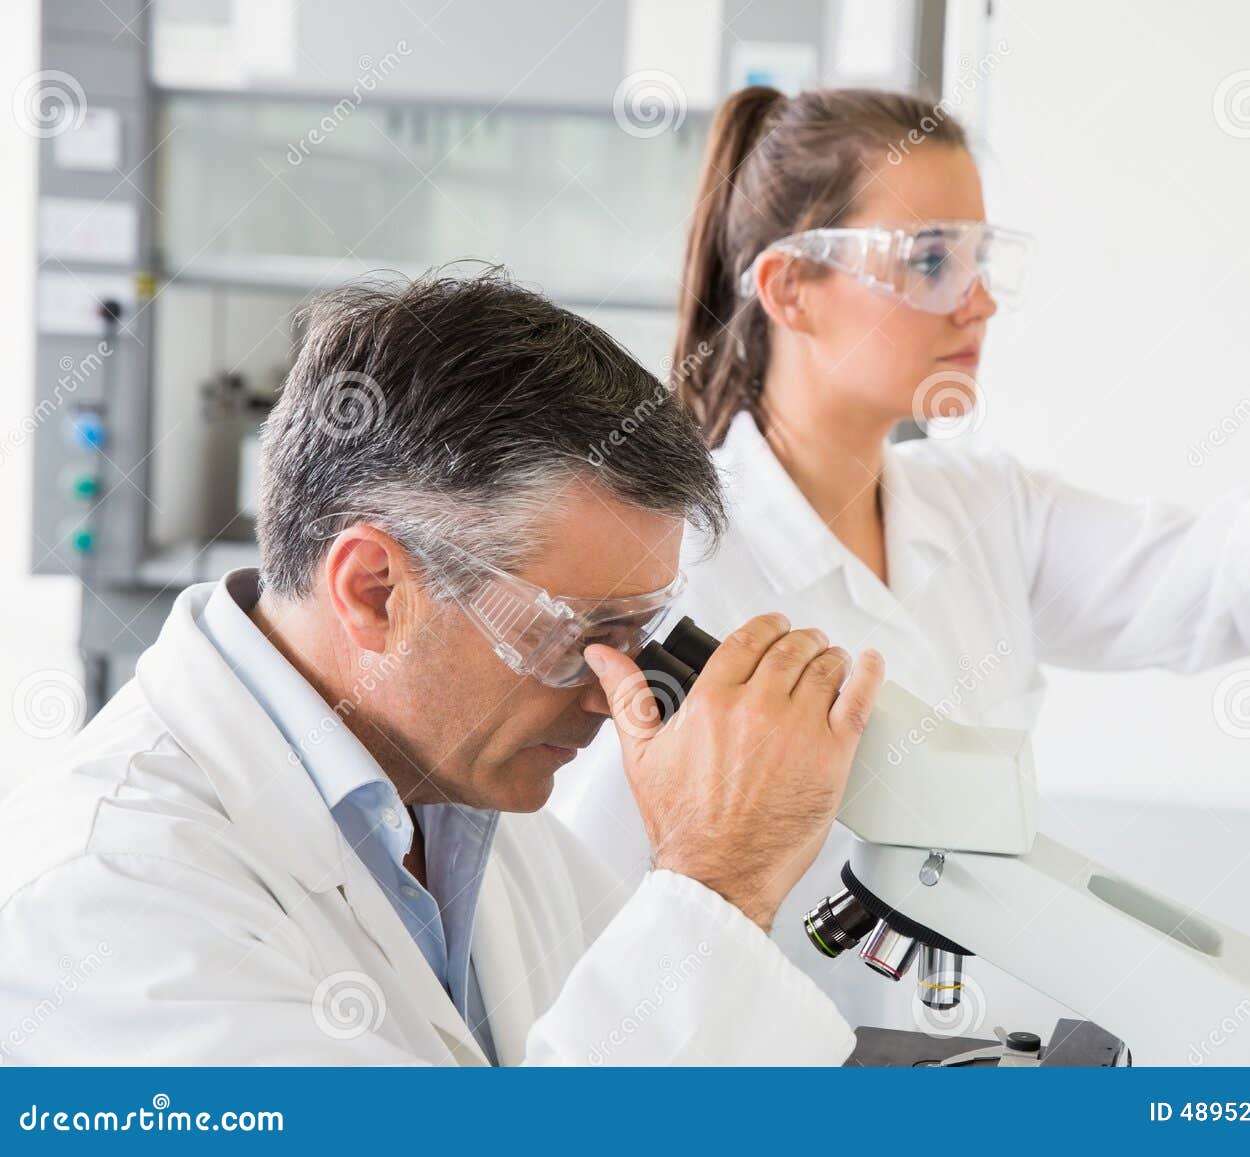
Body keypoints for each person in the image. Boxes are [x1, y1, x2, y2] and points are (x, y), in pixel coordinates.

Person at [554, 88, 1250, 1030]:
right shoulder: (679, 573)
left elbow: (1220, 583)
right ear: (790, 288)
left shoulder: (982, 508)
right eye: (930, 260)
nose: (981, 299)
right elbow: (580, 924)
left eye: (980, 257)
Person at [0, 270, 886, 1066]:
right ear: (376, 589)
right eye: (582, 632)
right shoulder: (112, 900)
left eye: (640, 630)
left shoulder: (464, 804)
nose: (614, 693)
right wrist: (714, 882)